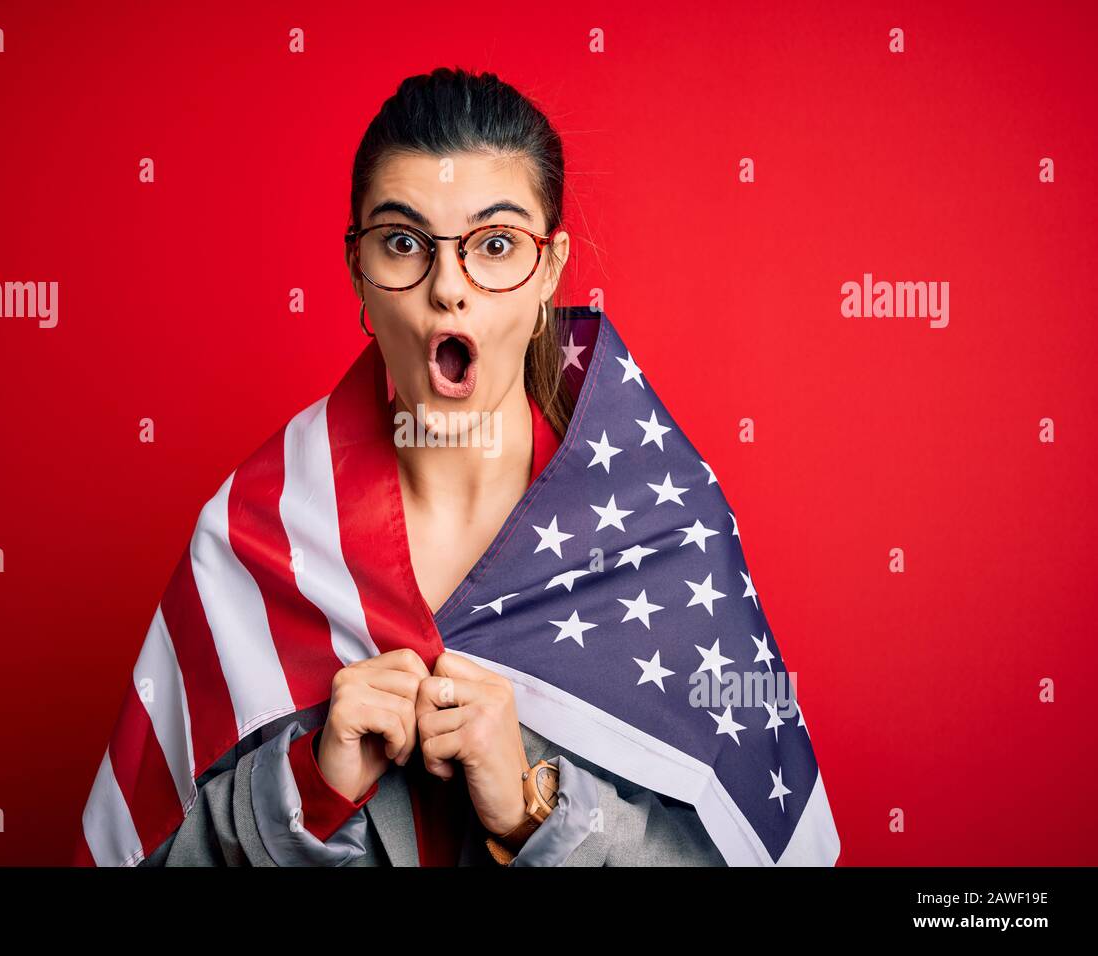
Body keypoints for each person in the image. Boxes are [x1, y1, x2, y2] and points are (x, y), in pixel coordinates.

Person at [77, 67, 838, 869]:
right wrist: (308, 790)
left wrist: (534, 810)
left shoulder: (669, 527)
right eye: (404, 243)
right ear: (359, 277)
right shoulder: (252, 534)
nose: (449, 289)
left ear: (549, 274)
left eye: (497, 245)